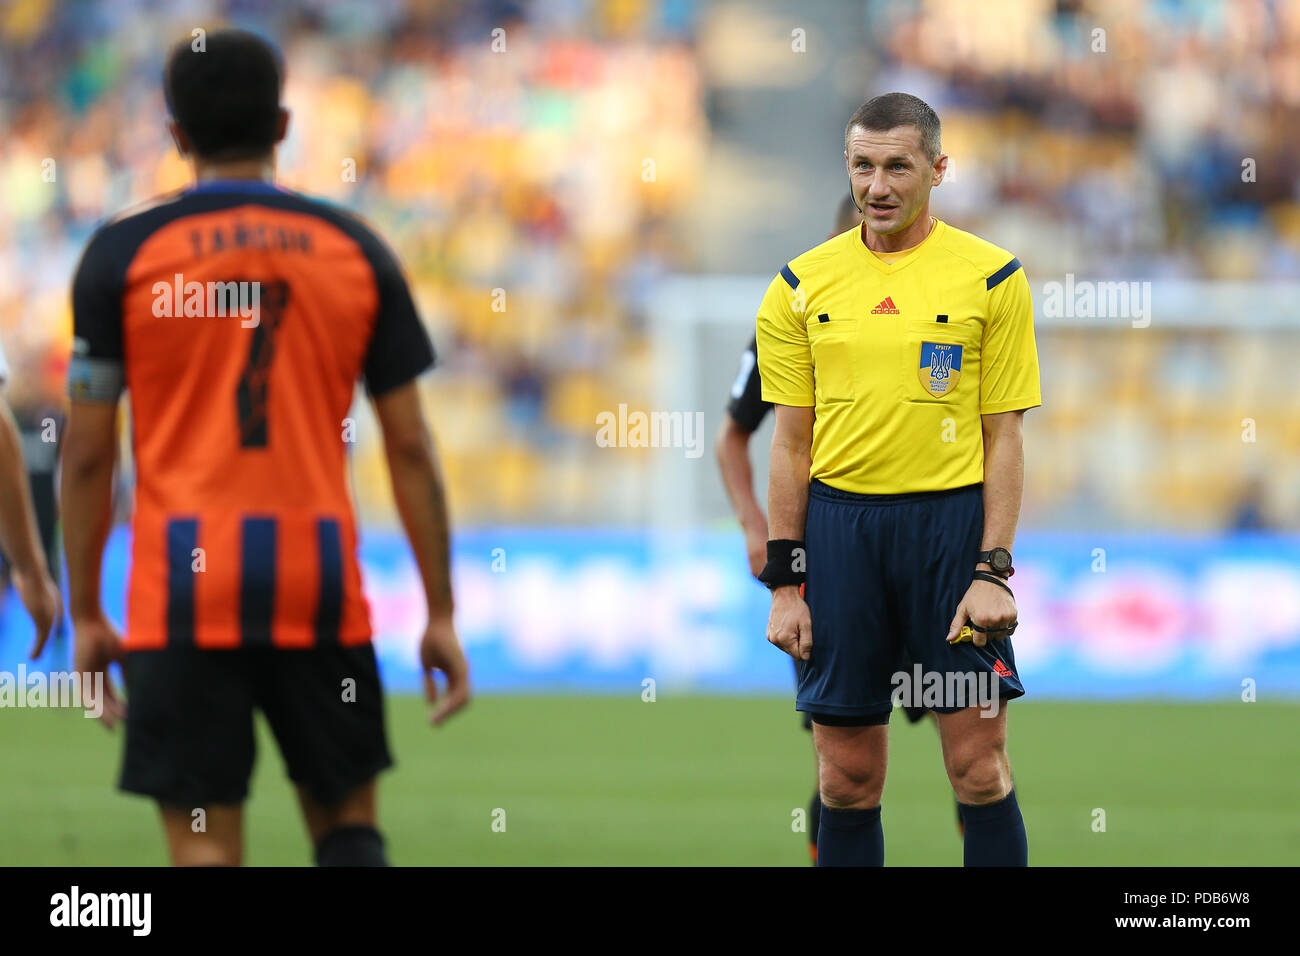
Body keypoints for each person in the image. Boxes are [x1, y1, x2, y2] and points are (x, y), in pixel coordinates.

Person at [61, 29, 469, 867]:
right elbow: (411, 448)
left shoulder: (123, 254)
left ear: (174, 134)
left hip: (180, 589)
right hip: (315, 578)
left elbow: (90, 456)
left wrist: (88, 612)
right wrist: (439, 611)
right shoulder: (355, 249)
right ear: (283, 126)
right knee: (349, 829)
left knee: (205, 848)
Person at [756, 92, 1041, 866]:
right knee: (846, 779)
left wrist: (994, 570)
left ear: (938, 170)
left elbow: (1003, 434)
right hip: (841, 535)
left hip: (950, 539)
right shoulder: (798, 286)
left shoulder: (991, 277)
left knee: (977, 769)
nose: (876, 186)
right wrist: (787, 582)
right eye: (861, 166)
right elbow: (789, 446)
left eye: (896, 167)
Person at [0, 336, 62, 656]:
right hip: (15, 522)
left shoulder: (52, 418)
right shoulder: (21, 418)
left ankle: (59, 660)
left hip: (37, 520)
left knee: (55, 580)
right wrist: (29, 570)